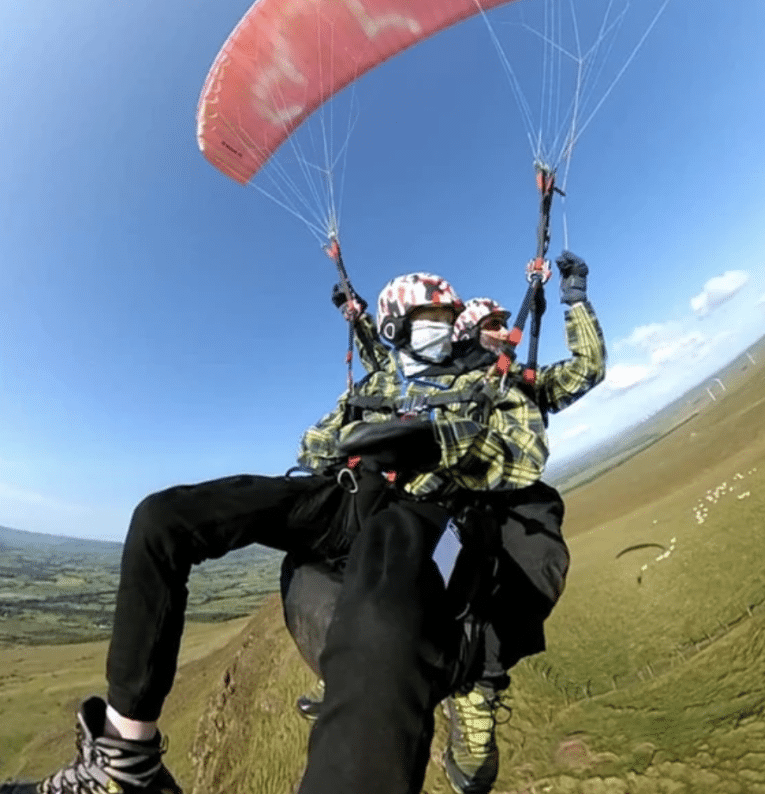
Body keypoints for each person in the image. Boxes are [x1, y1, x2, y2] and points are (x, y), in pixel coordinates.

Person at [37, 270, 533, 794]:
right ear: (397, 326)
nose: (447, 326)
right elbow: (312, 443)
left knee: (378, 612)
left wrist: (437, 442)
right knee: (162, 518)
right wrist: (356, 436)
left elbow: (523, 457)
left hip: (424, 507)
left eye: (450, 317)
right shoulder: (379, 382)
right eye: (434, 315)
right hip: (346, 493)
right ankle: (126, 756)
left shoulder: (484, 378)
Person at [283, 254, 606, 794]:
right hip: (427, 498)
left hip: (498, 502)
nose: (503, 333)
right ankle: (351, 668)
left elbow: (583, 372)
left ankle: (478, 688)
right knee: (362, 554)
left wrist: (575, 302)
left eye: (504, 324)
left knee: (524, 565)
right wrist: (359, 318)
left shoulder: (515, 381)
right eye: (490, 325)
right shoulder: (443, 376)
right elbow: (390, 363)